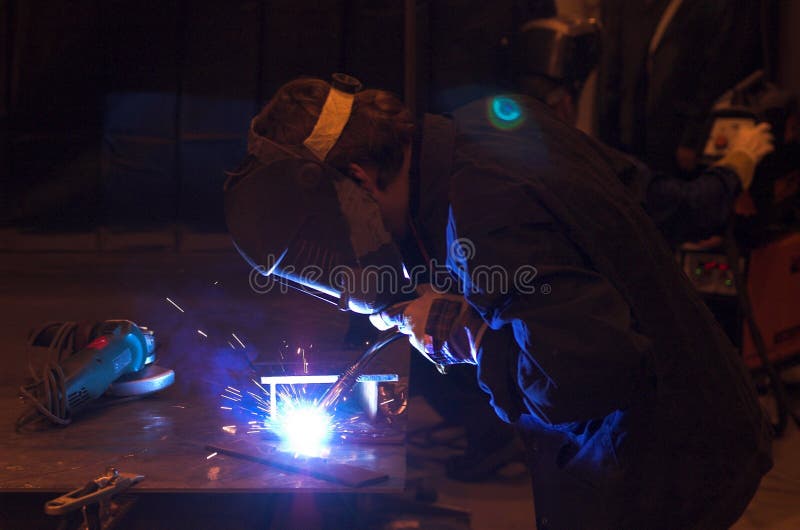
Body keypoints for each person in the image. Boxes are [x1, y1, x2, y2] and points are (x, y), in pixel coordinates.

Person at [225, 73, 773, 529]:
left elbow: (581, 382)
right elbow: (619, 217)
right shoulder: (494, 120)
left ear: (359, 180)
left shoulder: (484, 211)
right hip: (703, 418)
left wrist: (472, 337)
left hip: (660, 469)